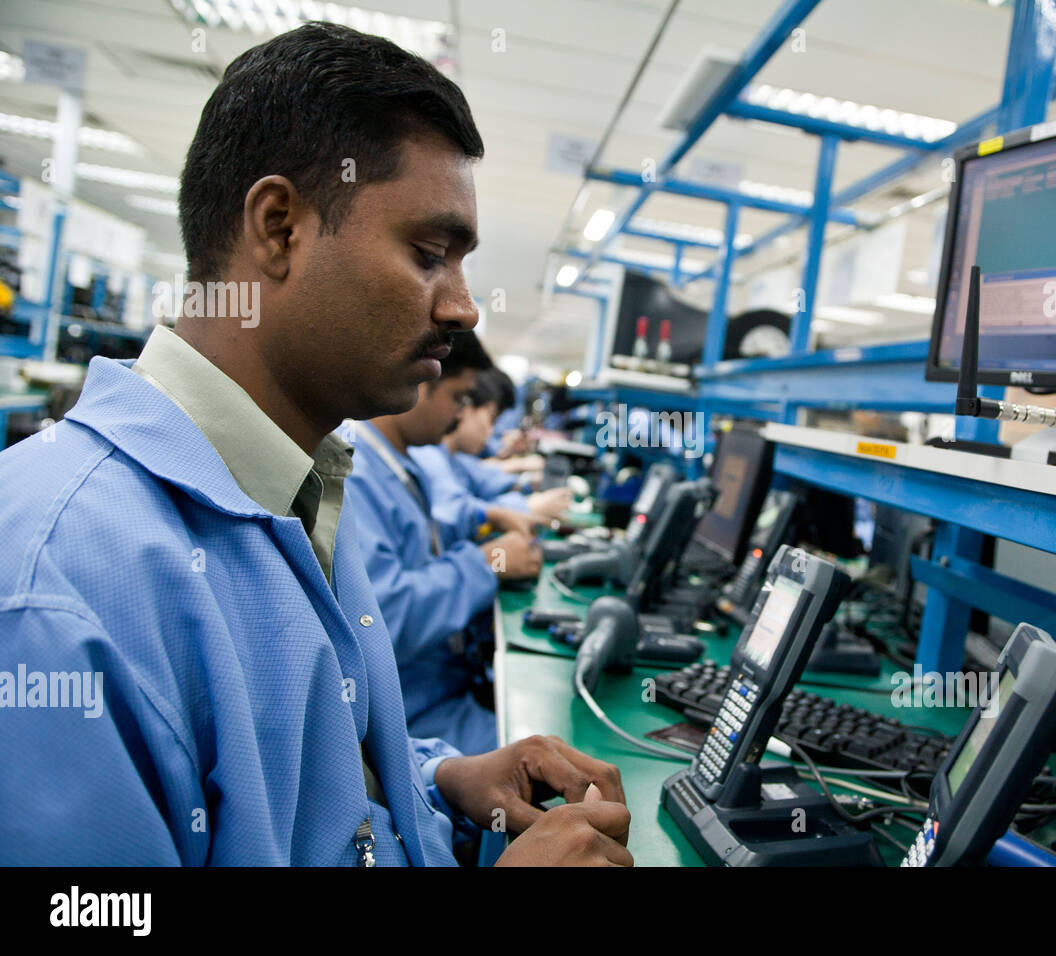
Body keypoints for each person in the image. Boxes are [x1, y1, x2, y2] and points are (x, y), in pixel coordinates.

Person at [0, 22, 630, 866]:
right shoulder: (57, 593)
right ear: (280, 226)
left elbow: (301, 790)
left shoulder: (300, 486)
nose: (464, 308)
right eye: (430, 254)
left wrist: (434, 783)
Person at [347, 332, 539, 754]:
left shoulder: (401, 462)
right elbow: (386, 618)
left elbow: (429, 539)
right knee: (547, 767)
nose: (457, 414)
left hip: (441, 688)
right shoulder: (357, 473)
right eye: (457, 396)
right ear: (422, 380)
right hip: (410, 716)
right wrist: (487, 564)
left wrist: (487, 523)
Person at [411, 367, 571, 536]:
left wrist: (525, 483)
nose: (490, 430)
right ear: (467, 408)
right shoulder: (429, 455)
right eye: (492, 418)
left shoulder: (453, 458)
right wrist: (526, 507)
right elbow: (452, 517)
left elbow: (481, 476)